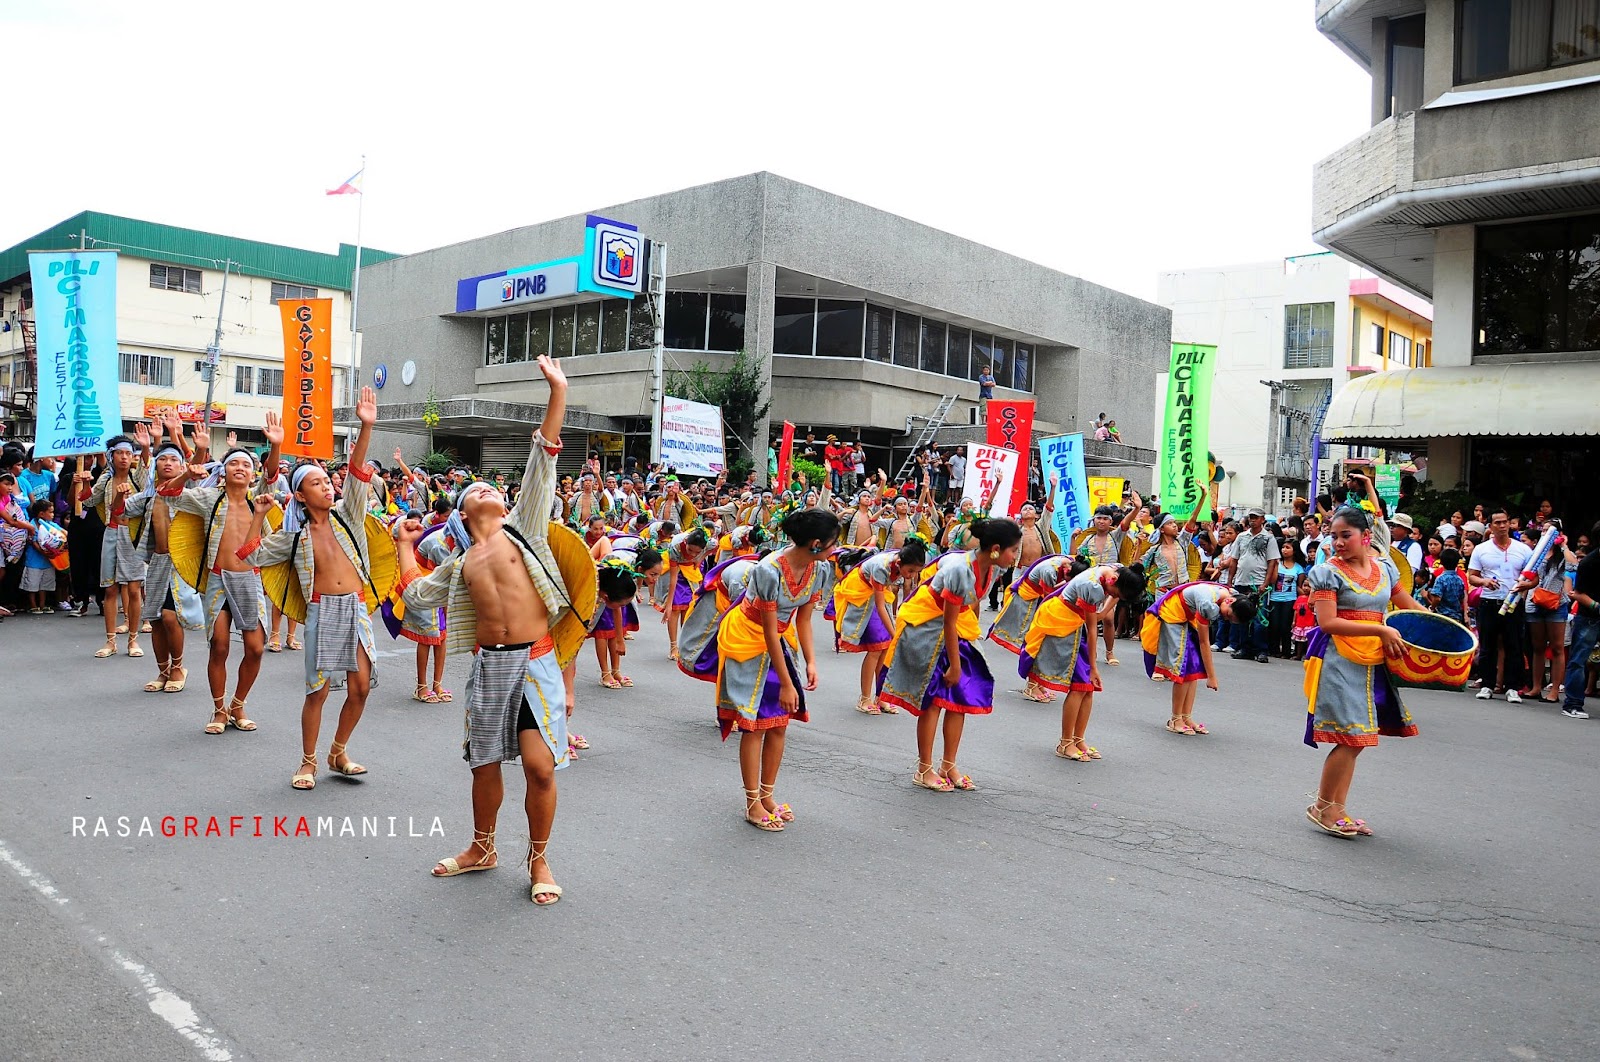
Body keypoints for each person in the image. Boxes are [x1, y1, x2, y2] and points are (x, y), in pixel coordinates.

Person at [395, 355, 583, 905]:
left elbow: (542, 458)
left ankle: (539, 856)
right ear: (463, 512)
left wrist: (558, 392)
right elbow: (414, 592)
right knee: (483, 763)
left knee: (538, 766)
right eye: (475, 489)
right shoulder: (459, 564)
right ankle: (483, 847)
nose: (485, 488)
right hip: (490, 668)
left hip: (536, 659)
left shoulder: (524, 530)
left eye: (490, 487)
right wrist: (405, 546)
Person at [239, 389, 384, 790]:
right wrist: (260, 514)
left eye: (327, 481)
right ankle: (308, 761)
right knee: (317, 691)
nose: (327, 487)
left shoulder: (350, 517)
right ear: (300, 495)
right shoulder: (295, 535)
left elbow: (356, 473)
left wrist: (367, 425)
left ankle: (339, 751)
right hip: (322, 611)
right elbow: (250, 555)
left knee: (360, 687)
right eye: (316, 483)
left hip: (354, 608)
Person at [711, 508, 839, 831]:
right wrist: (786, 683)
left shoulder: (819, 569)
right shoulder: (769, 571)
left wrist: (810, 661)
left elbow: (805, 619)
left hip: (780, 639)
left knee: (779, 723)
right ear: (815, 543)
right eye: (832, 543)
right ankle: (752, 801)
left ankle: (767, 795)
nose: (835, 549)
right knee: (755, 724)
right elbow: (768, 631)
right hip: (748, 638)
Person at [1302, 505, 1425, 838]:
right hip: (1339, 659)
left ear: (1366, 536)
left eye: (1346, 535)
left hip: (1374, 662)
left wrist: (1443, 627)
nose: (1339, 542)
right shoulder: (1328, 572)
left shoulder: (1385, 570)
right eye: (1334, 536)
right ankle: (1324, 806)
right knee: (1349, 736)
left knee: (1359, 739)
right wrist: (1382, 631)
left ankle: (1335, 807)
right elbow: (1327, 622)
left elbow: (1409, 606)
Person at [880, 517, 1022, 792]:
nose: (1015, 556)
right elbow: (947, 620)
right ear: (995, 548)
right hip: (927, 626)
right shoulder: (960, 569)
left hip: (955, 625)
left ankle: (948, 763)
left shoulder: (991, 569)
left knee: (959, 698)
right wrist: (955, 666)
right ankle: (924, 768)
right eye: (1013, 550)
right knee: (932, 700)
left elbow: (968, 610)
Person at [171, 421, 283, 735]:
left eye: (245, 464)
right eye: (232, 462)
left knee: (256, 648)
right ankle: (219, 709)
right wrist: (187, 472)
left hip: (250, 581)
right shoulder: (209, 498)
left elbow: (272, 475)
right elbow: (169, 495)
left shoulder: (258, 498)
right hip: (218, 580)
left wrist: (275, 445)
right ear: (222, 471)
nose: (239, 468)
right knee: (219, 646)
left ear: (253, 474)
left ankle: (238, 704)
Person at [1021, 563, 1145, 761]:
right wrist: (1094, 666)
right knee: (1080, 686)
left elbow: (1109, 602)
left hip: (1076, 624)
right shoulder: (1093, 587)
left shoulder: (1116, 570)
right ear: (1116, 583)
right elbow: (1093, 628)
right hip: (1063, 623)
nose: (1117, 598)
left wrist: (1104, 612)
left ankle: (1078, 740)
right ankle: (1065, 743)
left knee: (1087, 687)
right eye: (1119, 595)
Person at [122, 412, 207, 695]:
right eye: (163, 459)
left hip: (182, 563)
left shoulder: (190, 489)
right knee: (157, 618)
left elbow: (194, 469)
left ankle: (179, 666)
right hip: (158, 562)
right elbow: (120, 512)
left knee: (171, 616)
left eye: (174, 460)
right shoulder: (148, 495)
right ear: (156, 466)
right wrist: (119, 493)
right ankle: (162, 670)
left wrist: (192, 444)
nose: (168, 463)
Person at [1140, 580, 1257, 735]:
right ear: (1230, 601)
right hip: (1173, 614)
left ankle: (1186, 717)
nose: (1225, 618)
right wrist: (1211, 677)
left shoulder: (1228, 596)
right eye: (1228, 615)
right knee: (1182, 667)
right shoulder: (1207, 603)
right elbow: (1204, 642)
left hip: (1187, 616)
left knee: (1192, 667)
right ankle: (1175, 719)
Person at [833, 540, 928, 714]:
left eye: (916, 572)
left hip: (876, 594)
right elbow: (879, 605)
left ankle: (881, 697)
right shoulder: (881, 567)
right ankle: (864, 698)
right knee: (877, 647)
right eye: (911, 571)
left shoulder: (900, 563)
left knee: (885, 648)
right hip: (861, 593)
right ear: (900, 563)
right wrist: (894, 635)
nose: (912, 575)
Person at [84, 427, 152, 658]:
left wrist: (145, 446)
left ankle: (133, 640)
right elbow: (89, 501)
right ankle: (111, 641)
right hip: (111, 533)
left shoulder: (137, 476)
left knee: (133, 588)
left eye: (128, 453)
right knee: (110, 589)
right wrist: (82, 482)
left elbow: (147, 471)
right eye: (120, 453)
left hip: (131, 536)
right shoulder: (106, 478)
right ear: (111, 455)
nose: (125, 457)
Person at [1467, 509, 1533, 703]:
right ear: (1490, 526)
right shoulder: (1481, 549)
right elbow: (1472, 575)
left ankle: (1513, 687)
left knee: (1514, 645)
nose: (1503, 526)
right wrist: (1484, 581)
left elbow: (1534, 578)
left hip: (1513, 602)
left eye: (1505, 522)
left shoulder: (1523, 549)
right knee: (1488, 646)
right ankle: (1487, 684)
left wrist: (1526, 585)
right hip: (1489, 602)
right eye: (1498, 523)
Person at [1519, 521, 1573, 704]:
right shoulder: (1536, 552)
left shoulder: (1562, 555)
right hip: (1535, 602)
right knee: (1538, 647)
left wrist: (1563, 544)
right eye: (1543, 530)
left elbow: (1574, 566)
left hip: (1556, 604)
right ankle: (1536, 687)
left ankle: (1555, 690)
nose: (1546, 533)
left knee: (1557, 647)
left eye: (1550, 530)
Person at [1222, 507, 1275, 664]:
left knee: (1259, 619)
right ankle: (1244, 648)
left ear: (1262, 519)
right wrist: (1230, 581)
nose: (1252, 519)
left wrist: (1266, 583)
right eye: (1251, 517)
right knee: (1240, 616)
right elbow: (1234, 559)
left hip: (1258, 583)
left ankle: (1261, 650)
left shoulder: (1269, 538)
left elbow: (1272, 561)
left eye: (1256, 517)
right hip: (1241, 581)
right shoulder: (1241, 537)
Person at [1561, 522, 1600, 720]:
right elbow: (1578, 593)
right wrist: (1597, 606)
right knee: (1578, 660)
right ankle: (1573, 703)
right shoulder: (1589, 563)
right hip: (1589, 618)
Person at [1267, 539, 1305, 658]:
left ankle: (1286, 651)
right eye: (1283, 547)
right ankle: (1274, 650)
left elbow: (1299, 586)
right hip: (1275, 598)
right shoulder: (1276, 564)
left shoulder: (1299, 568)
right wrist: (1277, 565)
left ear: (1294, 551)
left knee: (1285, 626)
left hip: (1290, 600)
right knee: (1274, 625)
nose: (1284, 550)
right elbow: (1272, 581)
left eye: (1288, 547)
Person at [1426, 547, 1467, 624]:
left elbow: (1437, 598)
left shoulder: (1440, 579)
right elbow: (1462, 597)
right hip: (1457, 617)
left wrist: (1432, 607)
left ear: (1441, 562)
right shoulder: (1459, 579)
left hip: (1443, 617)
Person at [1290, 575, 1315, 661]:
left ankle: (1308, 655)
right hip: (1300, 623)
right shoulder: (1299, 598)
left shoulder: (1313, 600)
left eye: (1309, 586)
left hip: (1309, 623)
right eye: (1305, 585)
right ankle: (1298, 655)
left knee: (1309, 641)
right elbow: (1296, 611)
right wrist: (1294, 621)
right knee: (1299, 641)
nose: (1306, 588)